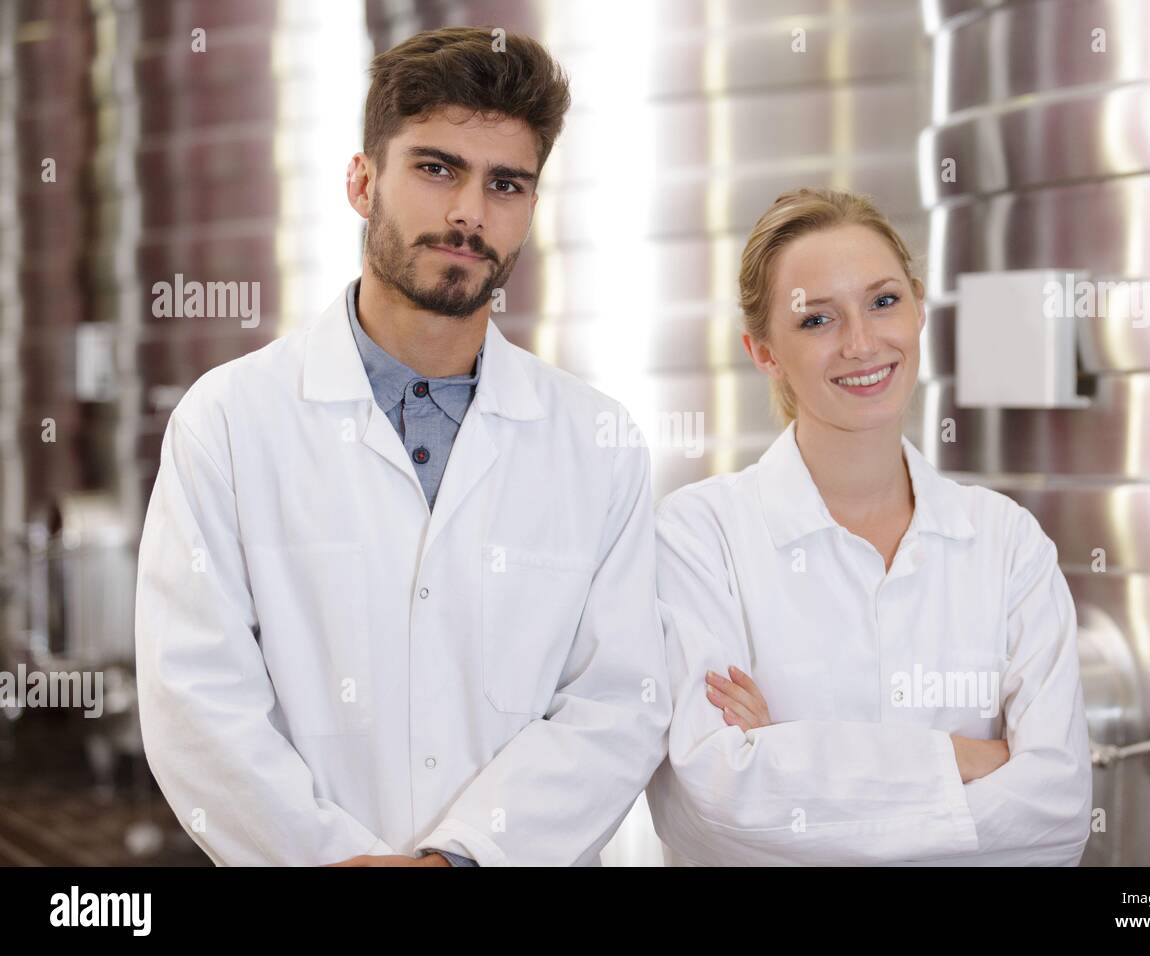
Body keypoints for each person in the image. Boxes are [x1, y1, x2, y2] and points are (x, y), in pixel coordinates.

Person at [135, 27, 670, 867]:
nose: (468, 212)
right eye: (435, 168)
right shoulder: (231, 422)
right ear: (361, 180)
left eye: (505, 184)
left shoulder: (596, 443)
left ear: (531, 207)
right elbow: (194, 699)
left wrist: (461, 858)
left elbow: (616, 705)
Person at [645, 188, 1092, 866]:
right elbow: (707, 801)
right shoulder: (700, 537)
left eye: (884, 302)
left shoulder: (1007, 541)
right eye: (817, 320)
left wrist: (787, 756)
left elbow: (1057, 812)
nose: (861, 344)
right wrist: (964, 759)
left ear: (918, 306)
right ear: (764, 352)